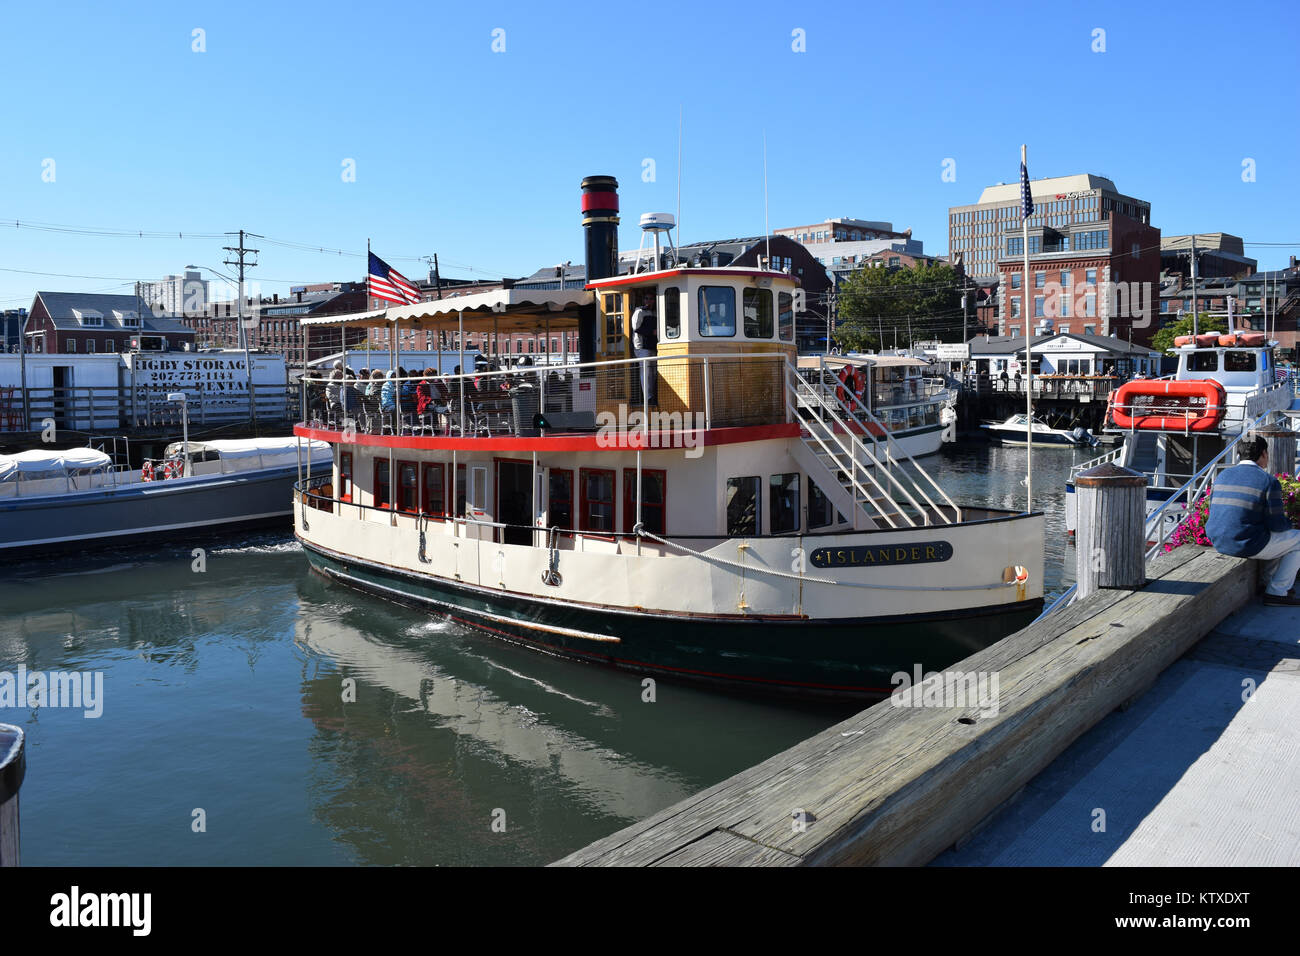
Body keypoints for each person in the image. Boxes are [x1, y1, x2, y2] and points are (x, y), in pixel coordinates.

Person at [1204, 437, 1300, 606]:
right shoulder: (1268, 481)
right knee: (1295, 539)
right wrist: (1290, 524)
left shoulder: (1222, 475)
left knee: (1278, 538)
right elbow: (1277, 525)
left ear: (1240, 454)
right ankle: (1277, 593)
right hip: (1245, 543)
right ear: (1264, 454)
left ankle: (1267, 582)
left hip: (1219, 541)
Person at [631, 291, 658, 405]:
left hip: (653, 346)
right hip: (642, 346)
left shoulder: (656, 312)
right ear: (643, 300)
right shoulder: (639, 311)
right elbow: (636, 328)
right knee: (645, 372)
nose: (648, 301)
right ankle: (648, 397)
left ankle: (651, 396)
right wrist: (652, 332)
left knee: (653, 372)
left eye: (651, 299)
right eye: (646, 298)